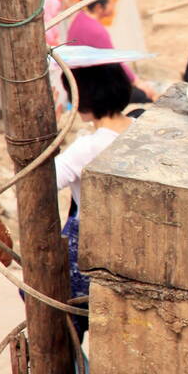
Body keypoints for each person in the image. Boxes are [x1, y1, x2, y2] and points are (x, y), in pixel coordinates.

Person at [55, 58, 136, 336]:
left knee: (58, 315)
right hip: (134, 247)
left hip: (92, 251)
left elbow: (45, 180)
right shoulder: (140, 130)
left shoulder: (89, 147)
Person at [67, 0, 157, 104]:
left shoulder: (80, 17)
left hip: (81, 81)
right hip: (90, 88)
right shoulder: (96, 30)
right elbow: (115, 62)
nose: (114, 6)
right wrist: (138, 82)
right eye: (111, 2)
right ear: (99, 7)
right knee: (142, 95)